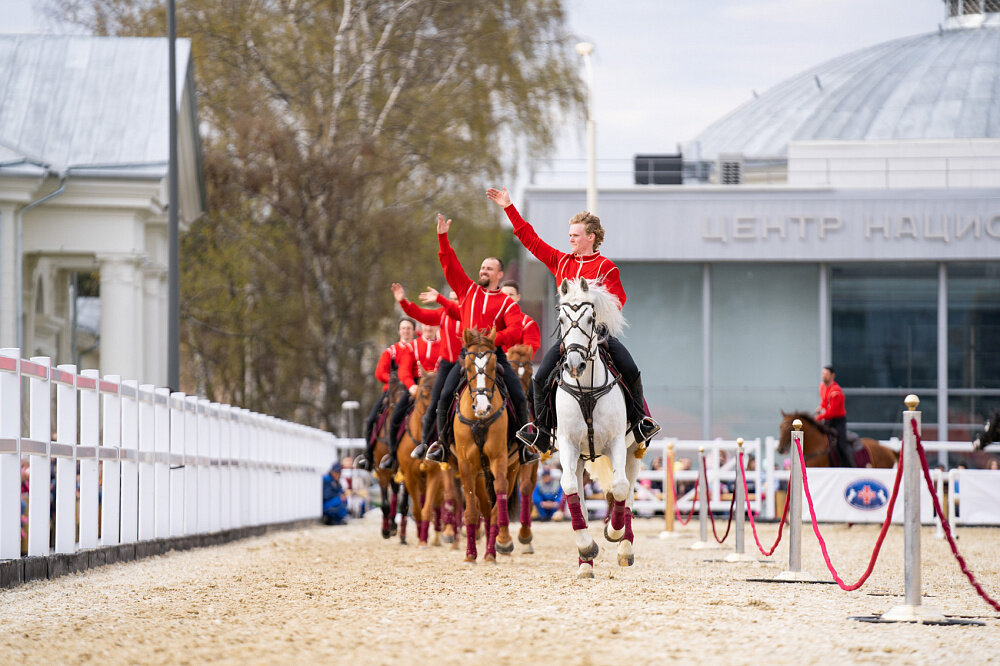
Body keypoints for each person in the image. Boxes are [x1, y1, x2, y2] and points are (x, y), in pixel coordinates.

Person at [486, 186, 661, 453]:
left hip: (598, 335)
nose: (571, 240)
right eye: (569, 235)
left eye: (576, 235)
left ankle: (640, 422)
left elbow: (618, 301)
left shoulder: (606, 267)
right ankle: (542, 432)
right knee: (540, 377)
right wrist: (509, 207)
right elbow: (529, 239)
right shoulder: (560, 261)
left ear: (591, 237)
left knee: (630, 368)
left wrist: (598, 322)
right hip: (569, 338)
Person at [423, 212, 538, 465]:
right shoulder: (467, 290)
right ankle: (441, 445)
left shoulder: (507, 303)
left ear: (499, 274)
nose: (483, 271)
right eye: (482, 267)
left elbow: (516, 330)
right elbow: (449, 265)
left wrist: (492, 340)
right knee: (443, 396)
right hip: (467, 357)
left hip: (494, 356)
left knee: (518, 395)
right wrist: (442, 236)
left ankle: (524, 447)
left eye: (489, 268)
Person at [392, 282, 462, 460]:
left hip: (467, 362)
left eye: (458, 299)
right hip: (447, 366)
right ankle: (426, 444)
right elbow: (419, 314)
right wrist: (403, 301)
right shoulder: (442, 314)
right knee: (435, 404)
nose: (454, 302)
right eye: (451, 299)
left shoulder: (469, 314)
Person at [355, 318, 419, 471]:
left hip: (414, 390)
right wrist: (394, 380)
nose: (406, 331)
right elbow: (379, 373)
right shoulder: (391, 351)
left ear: (414, 331)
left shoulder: (419, 348)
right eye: (403, 328)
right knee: (371, 419)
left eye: (408, 328)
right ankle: (368, 456)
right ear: (399, 331)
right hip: (393, 391)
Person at [380, 319, 440, 471]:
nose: (428, 328)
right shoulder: (412, 346)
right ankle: (393, 456)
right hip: (416, 385)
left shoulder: (444, 345)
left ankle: (451, 453)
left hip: (438, 385)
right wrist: (411, 386)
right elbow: (404, 370)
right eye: (426, 325)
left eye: (431, 325)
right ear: (422, 327)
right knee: (394, 417)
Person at [815, 365, 854, 467]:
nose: (824, 376)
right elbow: (824, 402)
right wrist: (820, 407)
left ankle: (849, 464)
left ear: (832, 376)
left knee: (841, 444)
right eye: (823, 374)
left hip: (838, 421)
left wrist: (819, 417)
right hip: (828, 419)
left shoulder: (836, 391)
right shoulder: (822, 386)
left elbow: (833, 411)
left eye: (826, 374)